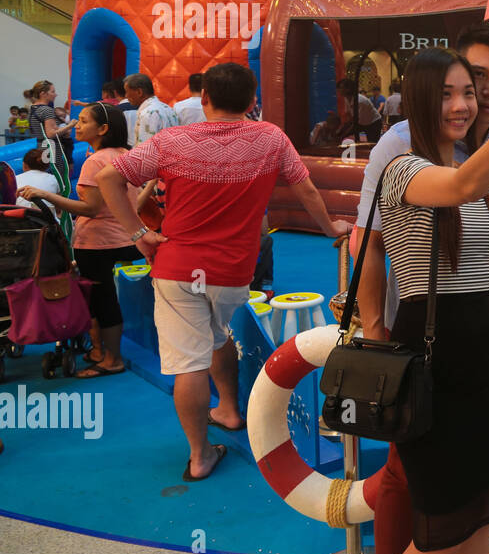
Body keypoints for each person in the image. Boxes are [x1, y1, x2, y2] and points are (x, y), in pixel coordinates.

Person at [97, 63, 350, 482]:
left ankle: (200, 455)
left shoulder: (172, 141)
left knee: (188, 362)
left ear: (205, 100)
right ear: (253, 101)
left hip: (177, 268)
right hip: (233, 272)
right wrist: (330, 228)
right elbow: (305, 187)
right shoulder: (270, 138)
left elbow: (109, 177)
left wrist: (138, 232)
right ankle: (229, 409)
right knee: (217, 336)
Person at [358, 21, 489, 554]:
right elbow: (458, 186)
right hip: (433, 361)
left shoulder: (481, 172)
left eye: (471, 91)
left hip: (487, 357)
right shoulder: (404, 168)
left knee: (479, 516)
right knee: (439, 530)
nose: (466, 103)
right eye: (449, 93)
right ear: (417, 98)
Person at [19, 104, 140, 377]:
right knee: (102, 299)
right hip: (124, 237)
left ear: (103, 129)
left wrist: (46, 196)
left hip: (99, 243)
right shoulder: (126, 155)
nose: (78, 126)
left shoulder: (96, 162)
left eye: (84, 121)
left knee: (102, 300)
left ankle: (111, 359)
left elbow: (91, 209)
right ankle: (101, 352)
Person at [26, 80, 76, 197]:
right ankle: (62, 210)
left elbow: (39, 131)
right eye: (53, 91)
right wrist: (70, 125)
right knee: (60, 180)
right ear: (43, 93)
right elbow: (51, 134)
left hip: (41, 147)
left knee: (46, 176)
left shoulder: (33, 108)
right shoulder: (46, 110)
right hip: (52, 148)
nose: (55, 94)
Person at [123, 73, 180, 146]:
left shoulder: (148, 113)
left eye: (127, 91)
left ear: (139, 92)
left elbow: (145, 150)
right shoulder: (168, 109)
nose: (126, 96)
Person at [338, 78, 383, 142]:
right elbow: (349, 116)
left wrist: (344, 133)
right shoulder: (347, 98)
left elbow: (357, 121)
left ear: (348, 89)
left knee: (372, 144)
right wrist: (341, 129)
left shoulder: (360, 101)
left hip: (373, 123)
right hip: (362, 122)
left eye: (341, 88)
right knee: (342, 133)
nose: (339, 90)